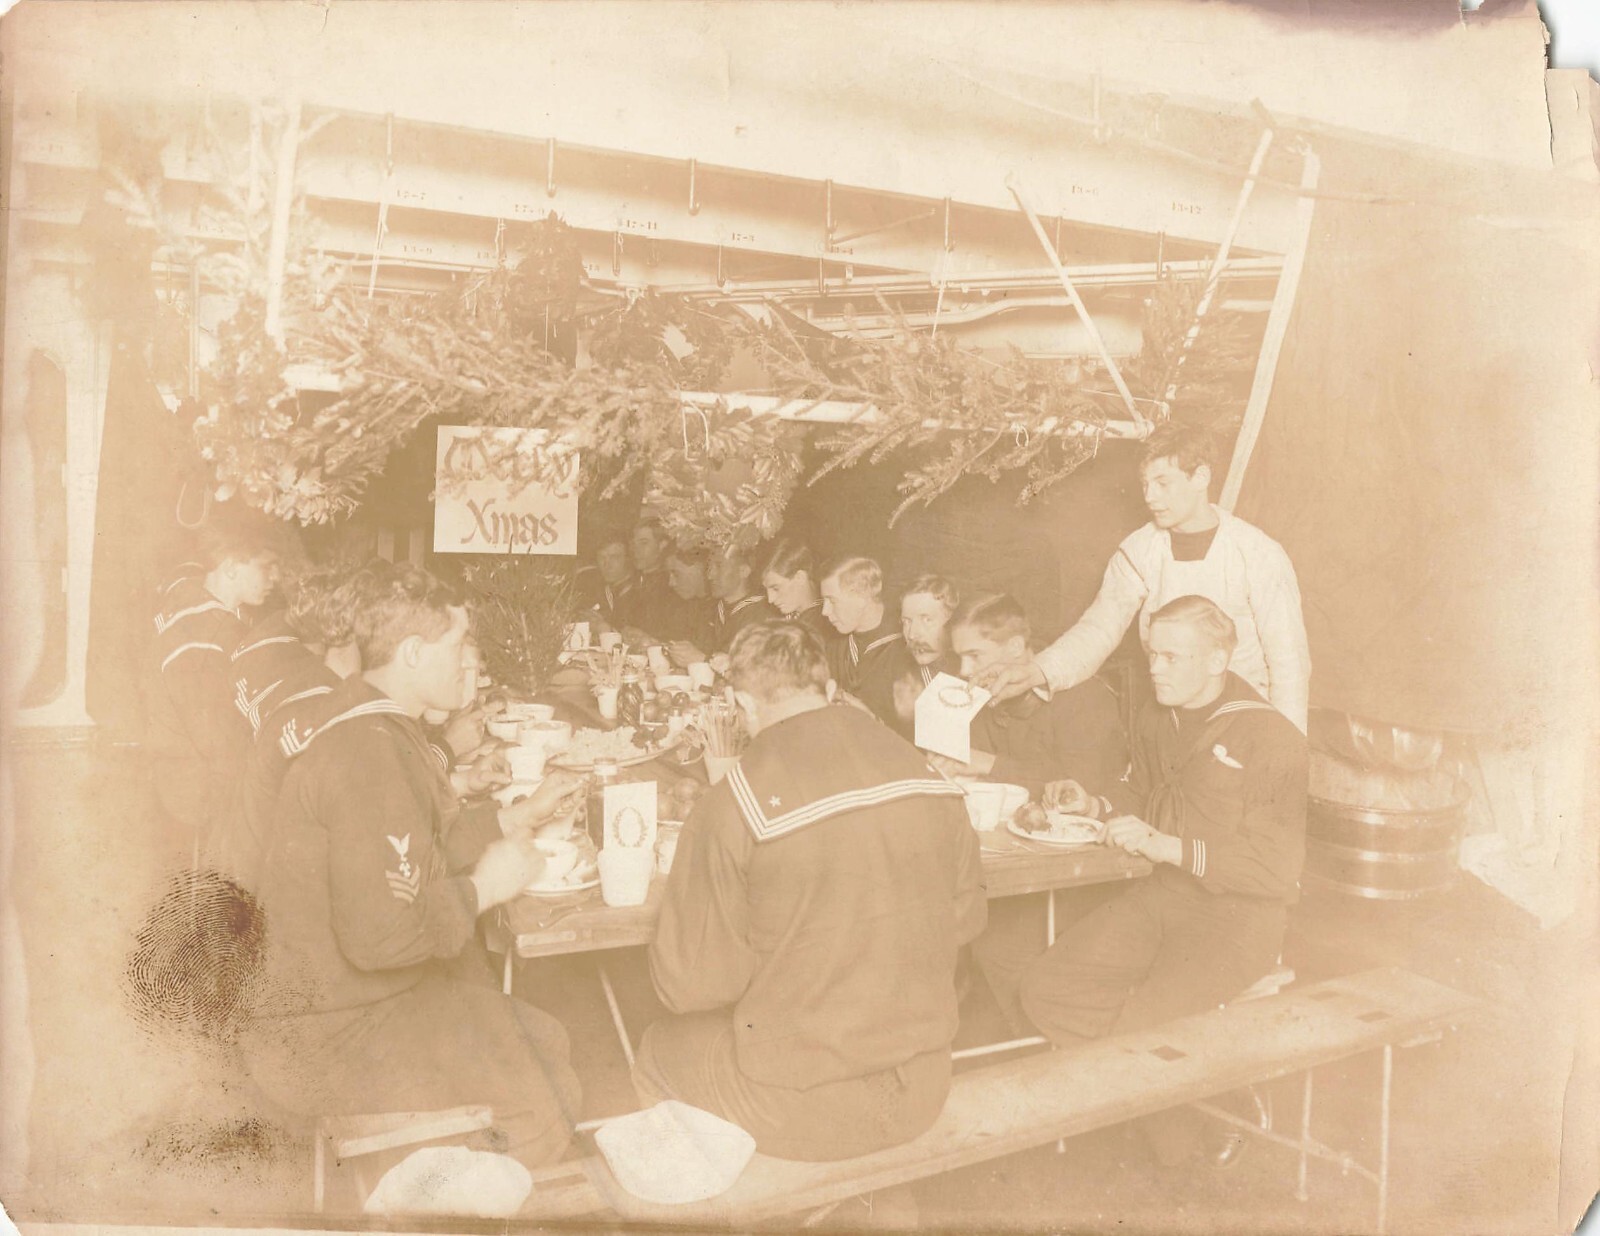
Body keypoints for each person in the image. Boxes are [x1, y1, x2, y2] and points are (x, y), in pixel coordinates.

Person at [242, 564, 584, 1170]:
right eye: (457, 647)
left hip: (339, 1004)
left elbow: (407, 847)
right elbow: (380, 938)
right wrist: (484, 888)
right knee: (542, 1100)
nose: (467, 662)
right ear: (412, 652)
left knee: (550, 1040)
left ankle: (453, 1175)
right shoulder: (368, 754)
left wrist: (511, 819)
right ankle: (447, 1200)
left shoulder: (369, 722)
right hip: (327, 1033)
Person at [636, 621, 986, 1161]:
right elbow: (965, 920)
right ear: (826, 691)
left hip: (802, 1107)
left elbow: (694, 987)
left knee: (657, 1048)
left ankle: (751, 1208)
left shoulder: (733, 803)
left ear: (742, 705)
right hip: (923, 1085)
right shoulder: (929, 776)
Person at [1015, 595, 1307, 1163]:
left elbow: (1276, 870)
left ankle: (1187, 1133)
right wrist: (1096, 803)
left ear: (1219, 660)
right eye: (1153, 655)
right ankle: (1191, 1086)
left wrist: (1170, 847)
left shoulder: (1273, 739)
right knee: (1046, 990)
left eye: (1174, 658)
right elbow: (1145, 795)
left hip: (1238, 919)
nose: (1155, 670)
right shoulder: (1156, 716)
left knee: (1143, 1030)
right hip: (1164, 898)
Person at [977, 425, 1311, 733]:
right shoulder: (1139, 550)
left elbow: (1289, 665)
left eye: (1163, 483)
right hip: (1170, 723)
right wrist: (1037, 671)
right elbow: (1099, 629)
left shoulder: (1258, 554)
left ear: (1200, 478)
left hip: (1243, 723)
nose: (1150, 496)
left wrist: (1285, 752)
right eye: (1146, 485)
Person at [145, 517, 283, 850]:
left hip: (199, 775)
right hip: (195, 790)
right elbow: (217, 741)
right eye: (268, 567)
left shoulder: (210, 611)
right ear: (231, 567)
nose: (276, 578)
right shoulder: (203, 636)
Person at [932, 593, 1127, 801]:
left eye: (974, 656)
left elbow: (1081, 790)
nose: (964, 670)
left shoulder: (1084, 696)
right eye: (959, 657)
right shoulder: (983, 691)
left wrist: (989, 764)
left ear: (1015, 647)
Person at [818, 555, 905, 723]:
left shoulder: (905, 649)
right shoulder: (834, 645)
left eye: (832, 600)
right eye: (823, 601)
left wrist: (871, 720)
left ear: (862, 596)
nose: (825, 611)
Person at [667, 546, 775, 666]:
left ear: (743, 571)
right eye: (709, 566)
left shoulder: (761, 615)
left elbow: (754, 671)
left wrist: (702, 660)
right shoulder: (710, 609)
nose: (710, 575)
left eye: (719, 566)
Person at [887, 574, 962, 738]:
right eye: (906, 621)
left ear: (952, 621)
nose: (912, 634)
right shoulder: (894, 675)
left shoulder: (973, 672)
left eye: (927, 619)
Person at [759, 539, 831, 644]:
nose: (770, 599)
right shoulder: (792, 618)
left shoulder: (822, 628)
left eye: (776, 588)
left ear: (800, 577)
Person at [573, 535, 637, 632]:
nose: (607, 564)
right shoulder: (594, 588)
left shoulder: (642, 590)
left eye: (614, 557)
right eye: (602, 557)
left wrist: (604, 629)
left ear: (628, 559)